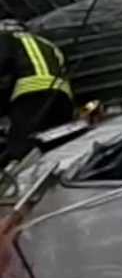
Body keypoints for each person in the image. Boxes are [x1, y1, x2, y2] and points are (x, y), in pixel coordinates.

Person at [0, 20, 75, 168]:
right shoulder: (47, 43)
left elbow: (2, 65)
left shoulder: (6, 39)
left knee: (20, 145)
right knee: (57, 141)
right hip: (61, 95)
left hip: (30, 94)